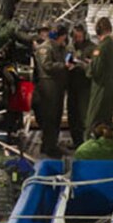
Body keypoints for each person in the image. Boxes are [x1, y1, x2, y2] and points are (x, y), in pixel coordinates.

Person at [33, 25, 70, 158]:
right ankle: (49, 146)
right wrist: (63, 66)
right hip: (48, 85)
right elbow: (47, 65)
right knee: (50, 116)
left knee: (56, 116)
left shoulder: (58, 47)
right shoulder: (46, 48)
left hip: (56, 85)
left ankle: (51, 143)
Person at [85, 17, 113, 136]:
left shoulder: (100, 48)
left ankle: (89, 150)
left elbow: (95, 71)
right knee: (106, 123)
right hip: (111, 87)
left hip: (100, 89)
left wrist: (89, 66)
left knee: (92, 122)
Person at [66, 23, 96, 148]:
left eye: (80, 36)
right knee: (72, 115)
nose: (77, 39)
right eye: (75, 36)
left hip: (85, 86)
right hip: (72, 85)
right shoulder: (70, 47)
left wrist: (82, 64)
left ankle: (87, 141)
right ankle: (76, 141)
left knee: (84, 115)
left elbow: (95, 66)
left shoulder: (91, 48)